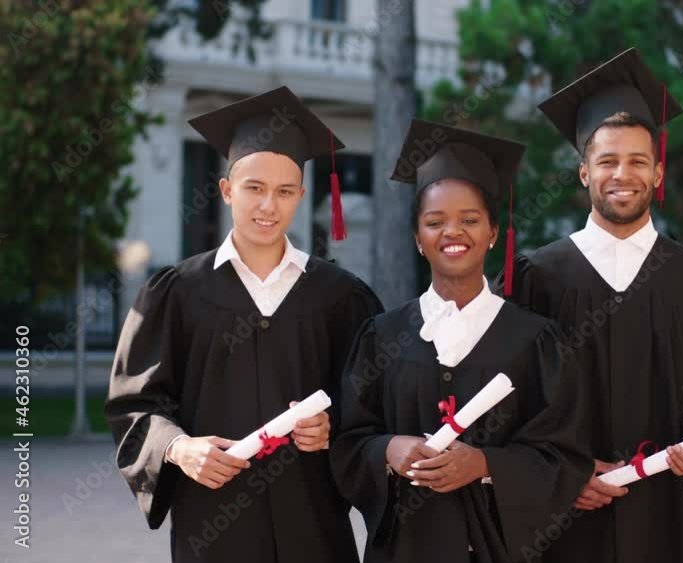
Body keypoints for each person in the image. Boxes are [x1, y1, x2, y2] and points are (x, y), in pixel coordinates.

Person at [105, 86, 382, 563]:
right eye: (254, 188)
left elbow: (376, 403)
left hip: (313, 529)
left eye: (284, 191)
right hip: (213, 529)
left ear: (300, 195)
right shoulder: (177, 293)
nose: (267, 206)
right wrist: (177, 447)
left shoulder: (341, 297)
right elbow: (134, 403)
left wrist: (332, 427)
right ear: (227, 189)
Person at [496, 47, 683, 563]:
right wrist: (561, 474)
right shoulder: (537, 278)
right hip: (563, 522)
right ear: (584, 172)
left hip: (667, 517)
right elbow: (513, 400)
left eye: (637, 161)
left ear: (657, 173)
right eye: (607, 161)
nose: (621, 174)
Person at [332, 119, 592, 563]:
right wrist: (390, 450)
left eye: (469, 220)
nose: (452, 232)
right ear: (417, 239)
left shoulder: (534, 340)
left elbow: (564, 455)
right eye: (435, 222)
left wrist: (486, 465)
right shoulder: (383, 336)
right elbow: (348, 440)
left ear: (493, 232)